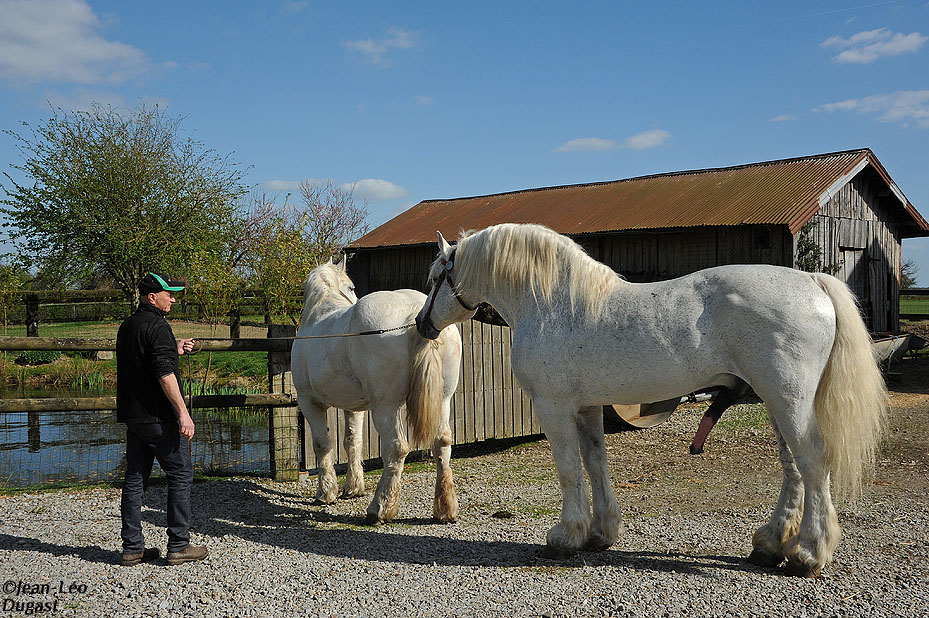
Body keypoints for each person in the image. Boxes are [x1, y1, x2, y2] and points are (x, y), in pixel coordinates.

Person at [116, 271, 207, 566]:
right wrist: (183, 413)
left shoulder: (128, 325)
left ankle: (132, 548)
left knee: (135, 480)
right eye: (169, 294)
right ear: (152, 297)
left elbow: (146, 361)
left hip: (134, 416)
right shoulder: (158, 327)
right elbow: (164, 374)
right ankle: (179, 545)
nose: (174, 298)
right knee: (180, 475)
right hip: (160, 417)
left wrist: (174, 349)